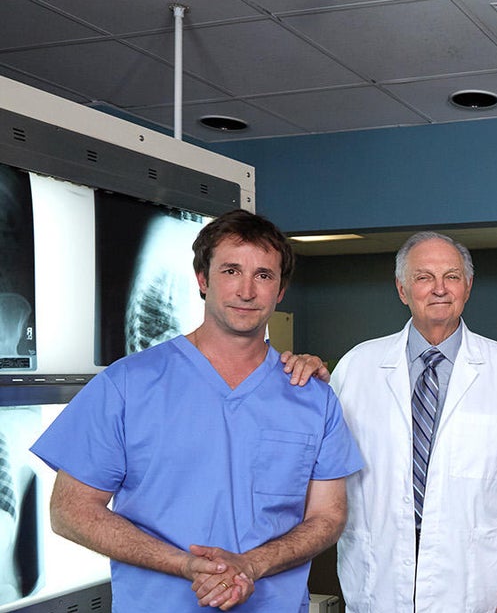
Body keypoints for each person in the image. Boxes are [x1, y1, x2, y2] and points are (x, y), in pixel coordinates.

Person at [29, 209, 364, 612]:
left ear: (280, 290)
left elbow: (328, 517)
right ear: (202, 280)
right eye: (230, 271)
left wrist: (252, 565)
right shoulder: (128, 385)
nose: (246, 291)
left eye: (263, 276)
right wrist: (187, 566)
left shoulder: (311, 397)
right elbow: (70, 510)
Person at [330, 231, 497, 613]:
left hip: (473, 580)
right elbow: (324, 466)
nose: (439, 289)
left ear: (467, 288)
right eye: (423, 277)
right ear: (402, 289)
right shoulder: (357, 367)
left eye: (451, 277)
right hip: (378, 572)